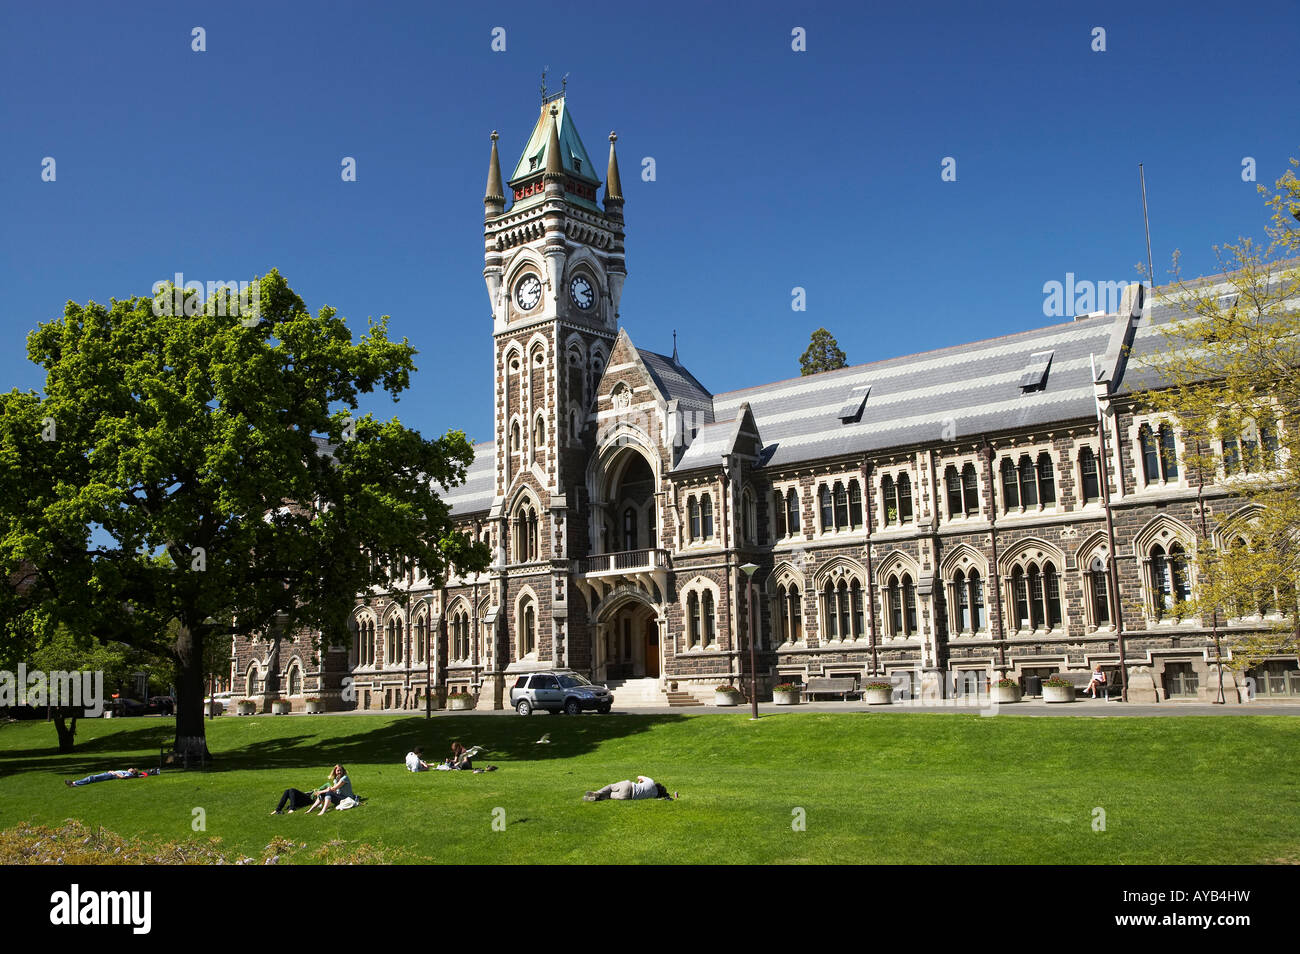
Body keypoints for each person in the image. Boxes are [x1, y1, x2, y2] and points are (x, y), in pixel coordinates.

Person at [584, 775, 675, 801]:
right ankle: (596, 798)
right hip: (627, 797)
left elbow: (639, 776)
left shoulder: (651, 781)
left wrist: (640, 782)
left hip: (629, 786)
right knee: (609, 795)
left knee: (611, 787)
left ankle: (598, 793)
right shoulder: (655, 796)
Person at [65, 768, 151, 787]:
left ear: (132, 771)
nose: (129, 768)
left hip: (110, 775)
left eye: (131, 768)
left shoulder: (128, 774)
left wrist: (113, 773)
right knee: (93, 778)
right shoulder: (129, 773)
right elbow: (141, 775)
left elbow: (122, 777)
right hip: (109, 774)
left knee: (92, 778)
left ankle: (74, 783)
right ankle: (75, 783)